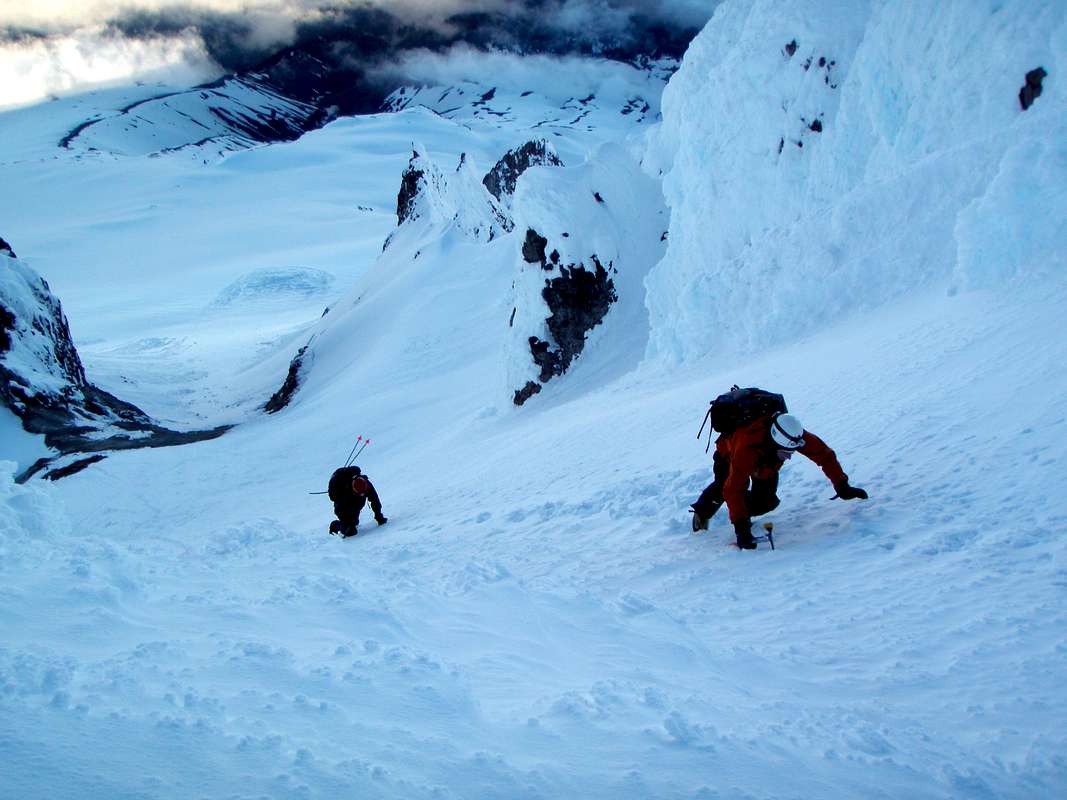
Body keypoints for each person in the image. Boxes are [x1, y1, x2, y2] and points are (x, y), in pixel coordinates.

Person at [691, 412, 867, 549]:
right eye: (785, 453)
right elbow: (733, 489)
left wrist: (842, 485)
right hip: (729, 455)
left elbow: (823, 455)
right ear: (774, 442)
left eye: (791, 452)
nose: (789, 458)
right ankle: (702, 514)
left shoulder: (793, 435)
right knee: (725, 486)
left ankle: (743, 513)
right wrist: (741, 530)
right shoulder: (747, 447)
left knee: (766, 502)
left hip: (766, 464)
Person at [329, 467, 387, 537]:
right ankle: (335, 525)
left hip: (356, 502)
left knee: (354, 522)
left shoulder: (366, 484)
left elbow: (375, 499)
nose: (362, 494)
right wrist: (346, 522)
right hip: (343, 505)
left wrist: (378, 515)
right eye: (359, 493)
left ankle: (352, 521)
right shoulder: (341, 489)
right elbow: (338, 507)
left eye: (363, 493)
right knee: (350, 531)